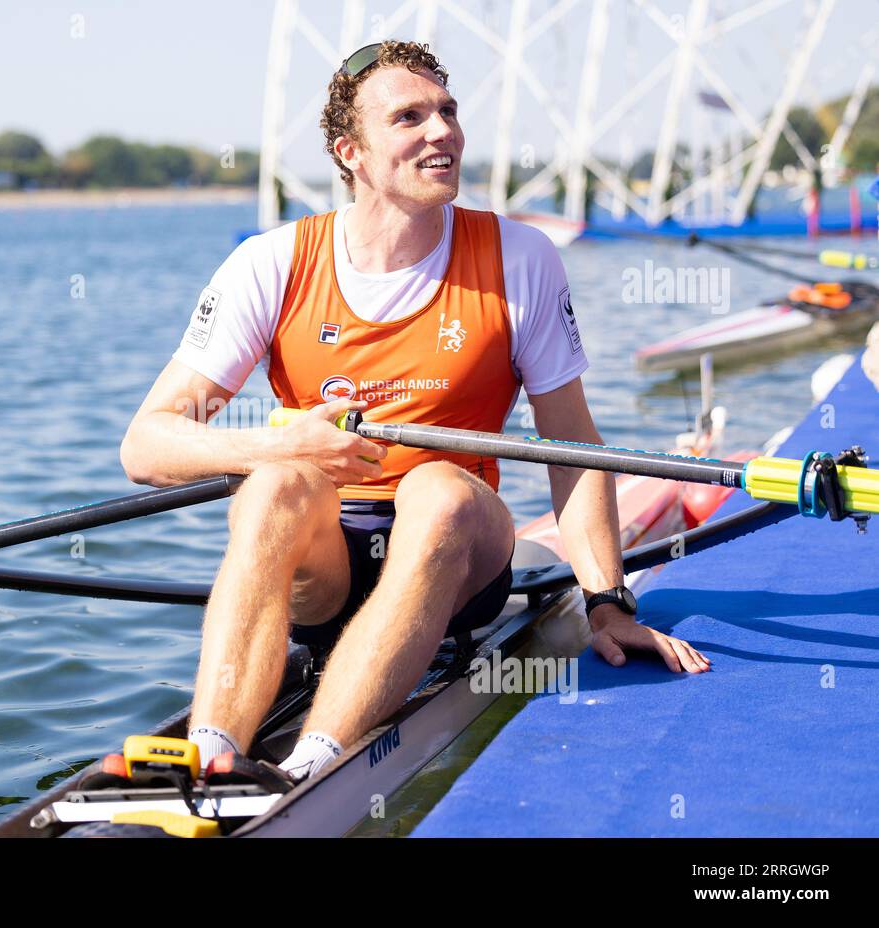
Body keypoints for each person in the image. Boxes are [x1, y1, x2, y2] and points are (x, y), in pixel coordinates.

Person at [120, 40, 709, 782]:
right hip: (324, 566)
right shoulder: (270, 264)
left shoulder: (517, 259)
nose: (443, 132)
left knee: (434, 490)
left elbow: (571, 445)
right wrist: (281, 447)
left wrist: (607, 602)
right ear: (352, 153)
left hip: (459, 554)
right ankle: (210, 756)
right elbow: (147, 445)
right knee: (273, 485)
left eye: (448, 111)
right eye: (410, 117)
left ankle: (309, 771)